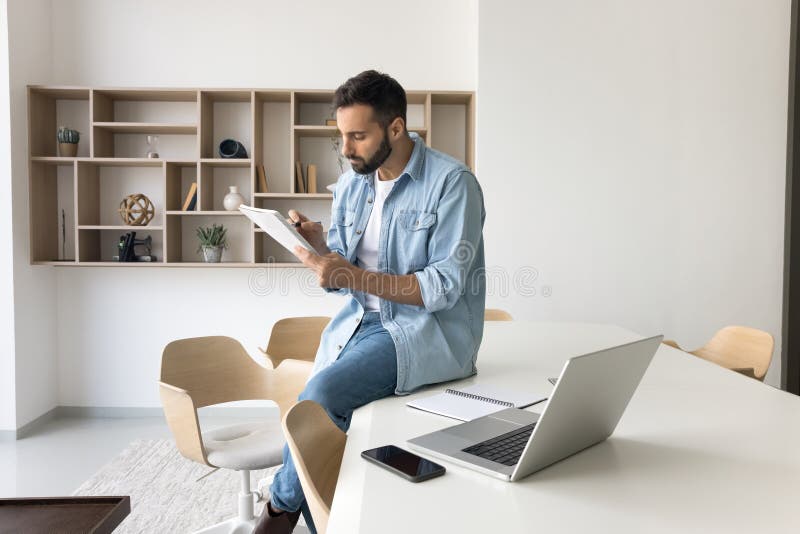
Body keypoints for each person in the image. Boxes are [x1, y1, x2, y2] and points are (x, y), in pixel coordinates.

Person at [254, 70, 486, 534]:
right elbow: (344, 278)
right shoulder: (354, 182)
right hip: (359, 323)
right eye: (342, 135)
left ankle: (279, 513)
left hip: (423, 332)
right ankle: (321, 520)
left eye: (358, 136)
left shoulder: (452, 184)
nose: (346, 149)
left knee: (320, 398)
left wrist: (352, 274)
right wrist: (320, 245)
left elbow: (443, 288)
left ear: (396, 129)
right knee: (308, 412)